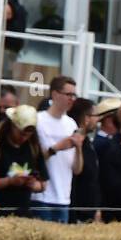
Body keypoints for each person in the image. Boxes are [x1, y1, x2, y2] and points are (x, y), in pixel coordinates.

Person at [31, 76, 83, 223]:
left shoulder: (71, 123)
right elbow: (33, 158)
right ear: (54, 94)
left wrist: (78, 148)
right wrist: (56, 148)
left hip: (64, 198)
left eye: (74, 95)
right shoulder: (38, 120)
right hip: (42, 196)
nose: (72, 99)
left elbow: (77, 169)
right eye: (68, 94)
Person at [0, 105, 48, 217]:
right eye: (21, 133)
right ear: (12, 125)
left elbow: (43, 185)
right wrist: (9, 181)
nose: (24, 138)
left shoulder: (34, 147)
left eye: (28, 135)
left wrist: (32, 184)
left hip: (23, 213)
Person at [67, 98, 101, 223]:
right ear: (86, 118)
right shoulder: (72, 143)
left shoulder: (88, 144)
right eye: (95, 116)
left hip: (88, 211)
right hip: (76, 212)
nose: (98, 120)